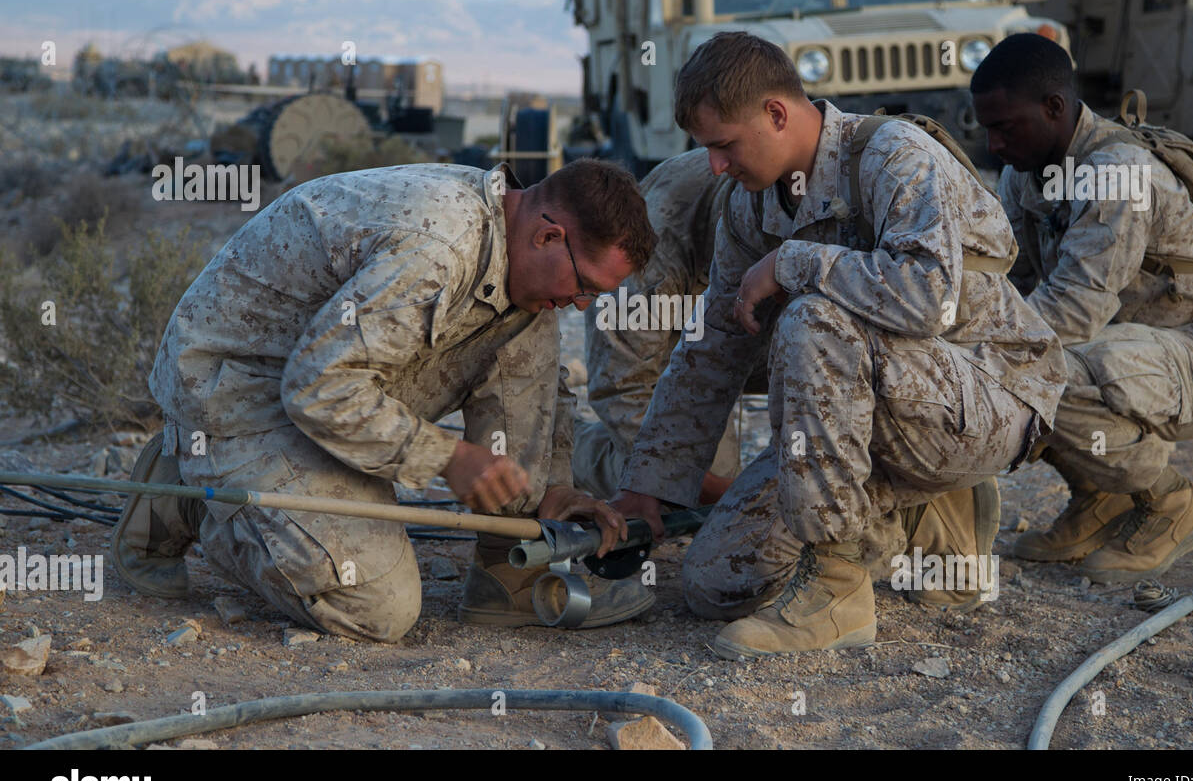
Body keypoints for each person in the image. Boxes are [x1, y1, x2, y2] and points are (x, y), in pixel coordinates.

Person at [611, 32, 1067, 659]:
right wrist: (651, 484)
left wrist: (795, 262)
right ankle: (911, 518)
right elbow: (712, 347)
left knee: (812, 319)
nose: (715, 167)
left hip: (988, 392)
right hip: (872, 419)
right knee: (716, 583)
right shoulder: (750, 207)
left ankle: (836, 587)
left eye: (723, 145)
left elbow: (928, 296)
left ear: (776, 113)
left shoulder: (892, 156)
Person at [113, 159, 658, 642]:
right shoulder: (437, 249)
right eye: (585, 285)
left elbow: (535, 383)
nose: (581, 305)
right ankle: (190, 490)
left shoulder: (505, 229)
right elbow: (319, 388)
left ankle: (508, 571)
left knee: (528, 324)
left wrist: (550, 490)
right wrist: (445, 458)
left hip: (327, 374)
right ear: (547, 236)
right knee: (377, 608)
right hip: (237, 393)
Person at [971, 33, 1193, 583]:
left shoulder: (1117, 173)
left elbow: (1071, 312)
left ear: (1054, 108)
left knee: (1037, 368)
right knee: (1012, 359)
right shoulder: (1023, 175)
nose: (994, 144)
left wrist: (977, 356)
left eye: (1005, 127)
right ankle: (1100, 499)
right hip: (1129, 349)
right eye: (987, 128)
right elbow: (1009, 287)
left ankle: (1169, 503)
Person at [573, 148, 746, 504]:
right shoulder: (658, 244)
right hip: (682, 326)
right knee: (674, 491)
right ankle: (562, 449)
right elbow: (625, 386)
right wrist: (715, 490)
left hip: (754, 334)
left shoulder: (847, 186)